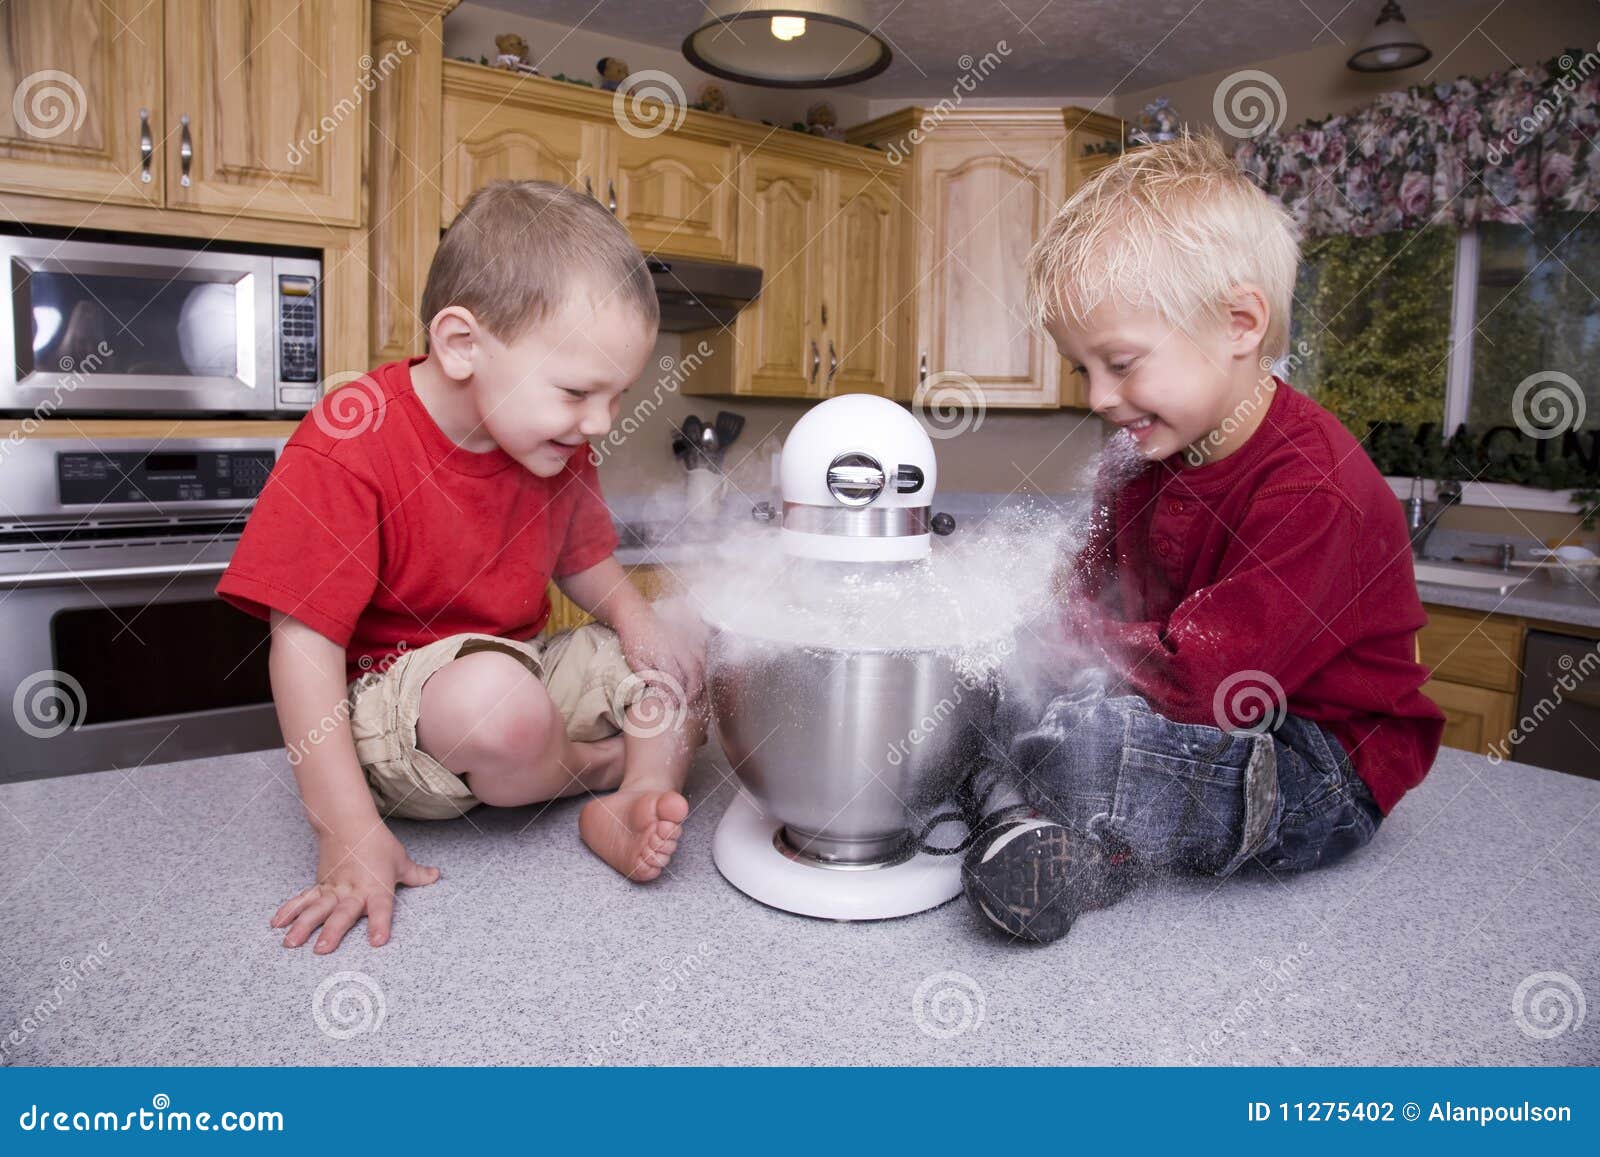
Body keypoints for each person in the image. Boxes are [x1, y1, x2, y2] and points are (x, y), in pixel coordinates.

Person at [961, 134, 1445, 944]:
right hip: (1190, 718)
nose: (1100, 396)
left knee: (1084, 741)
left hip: (1316, 764)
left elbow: (1208, 680)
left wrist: (1051, 644)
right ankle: (1035, 821)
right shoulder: (1139, 459)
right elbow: (1084, 595)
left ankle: (1049, 830)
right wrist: (1016, 641)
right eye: (1082, 369)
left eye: (1120, 362)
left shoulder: (1314, 488)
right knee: (994, 691)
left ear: (1239, 323)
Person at [217, 180, 706, 955]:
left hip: (521, 674)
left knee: (680, 650)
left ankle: (635, 795)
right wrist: (344, 827)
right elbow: (302, 649)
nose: (602, 423)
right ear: (460, 343)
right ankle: (595, 765)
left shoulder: (554, 441)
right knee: (500, 705)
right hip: (402, 715)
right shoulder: (351, 441)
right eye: (580, 391)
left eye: (617, 396)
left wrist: (641, 620)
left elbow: (588, 565)